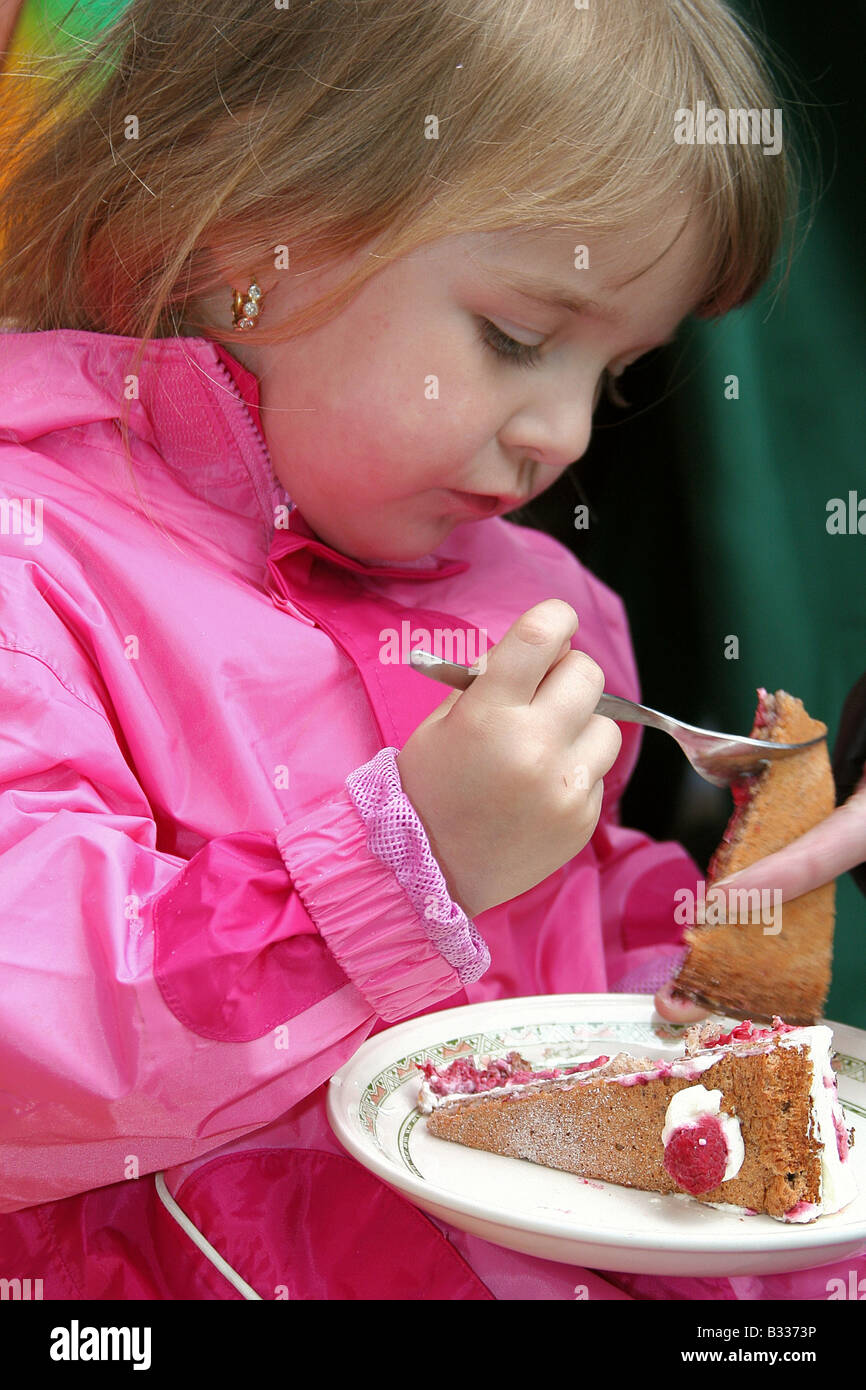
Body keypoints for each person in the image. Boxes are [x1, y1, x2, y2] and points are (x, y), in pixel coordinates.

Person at [0, 0, 860, 1302]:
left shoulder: (537, 598)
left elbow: (578, 988)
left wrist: (716, 994)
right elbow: (31, 1034)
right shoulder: (35, 559)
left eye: (615, 372)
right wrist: (399, 871)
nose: (564, 432)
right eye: (517, 337)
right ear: (249, 210)